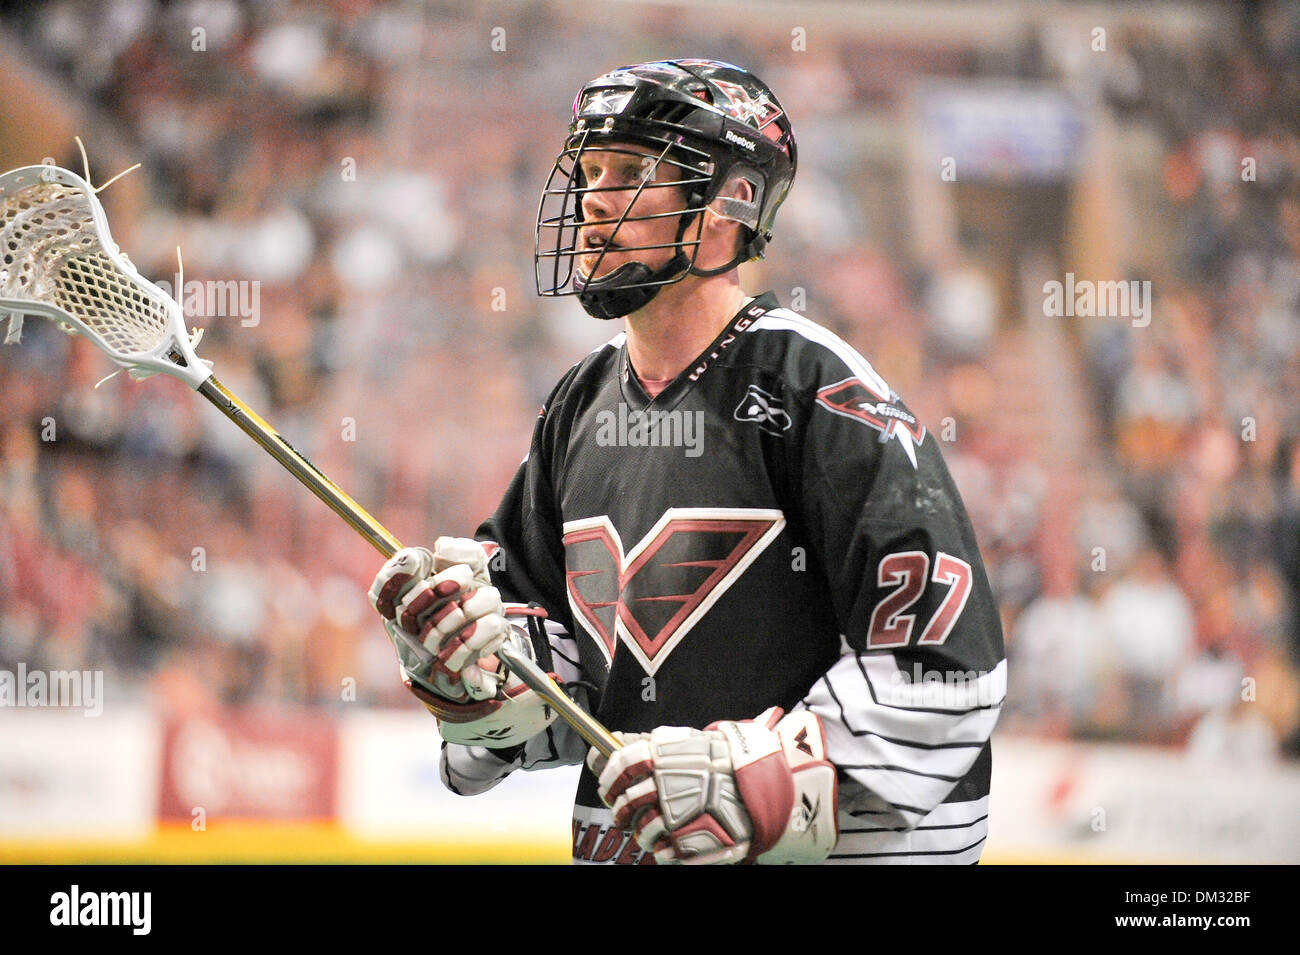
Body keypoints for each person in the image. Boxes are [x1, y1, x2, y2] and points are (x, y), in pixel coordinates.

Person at [368, 59, 1005, 865]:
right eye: (590, 169)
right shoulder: (579, 402)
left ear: (728, 205)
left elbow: (948, 680)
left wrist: (758, 781)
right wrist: (479, 674)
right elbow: (569, 674)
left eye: (632, 170)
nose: (595, 196)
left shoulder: (822, 394)